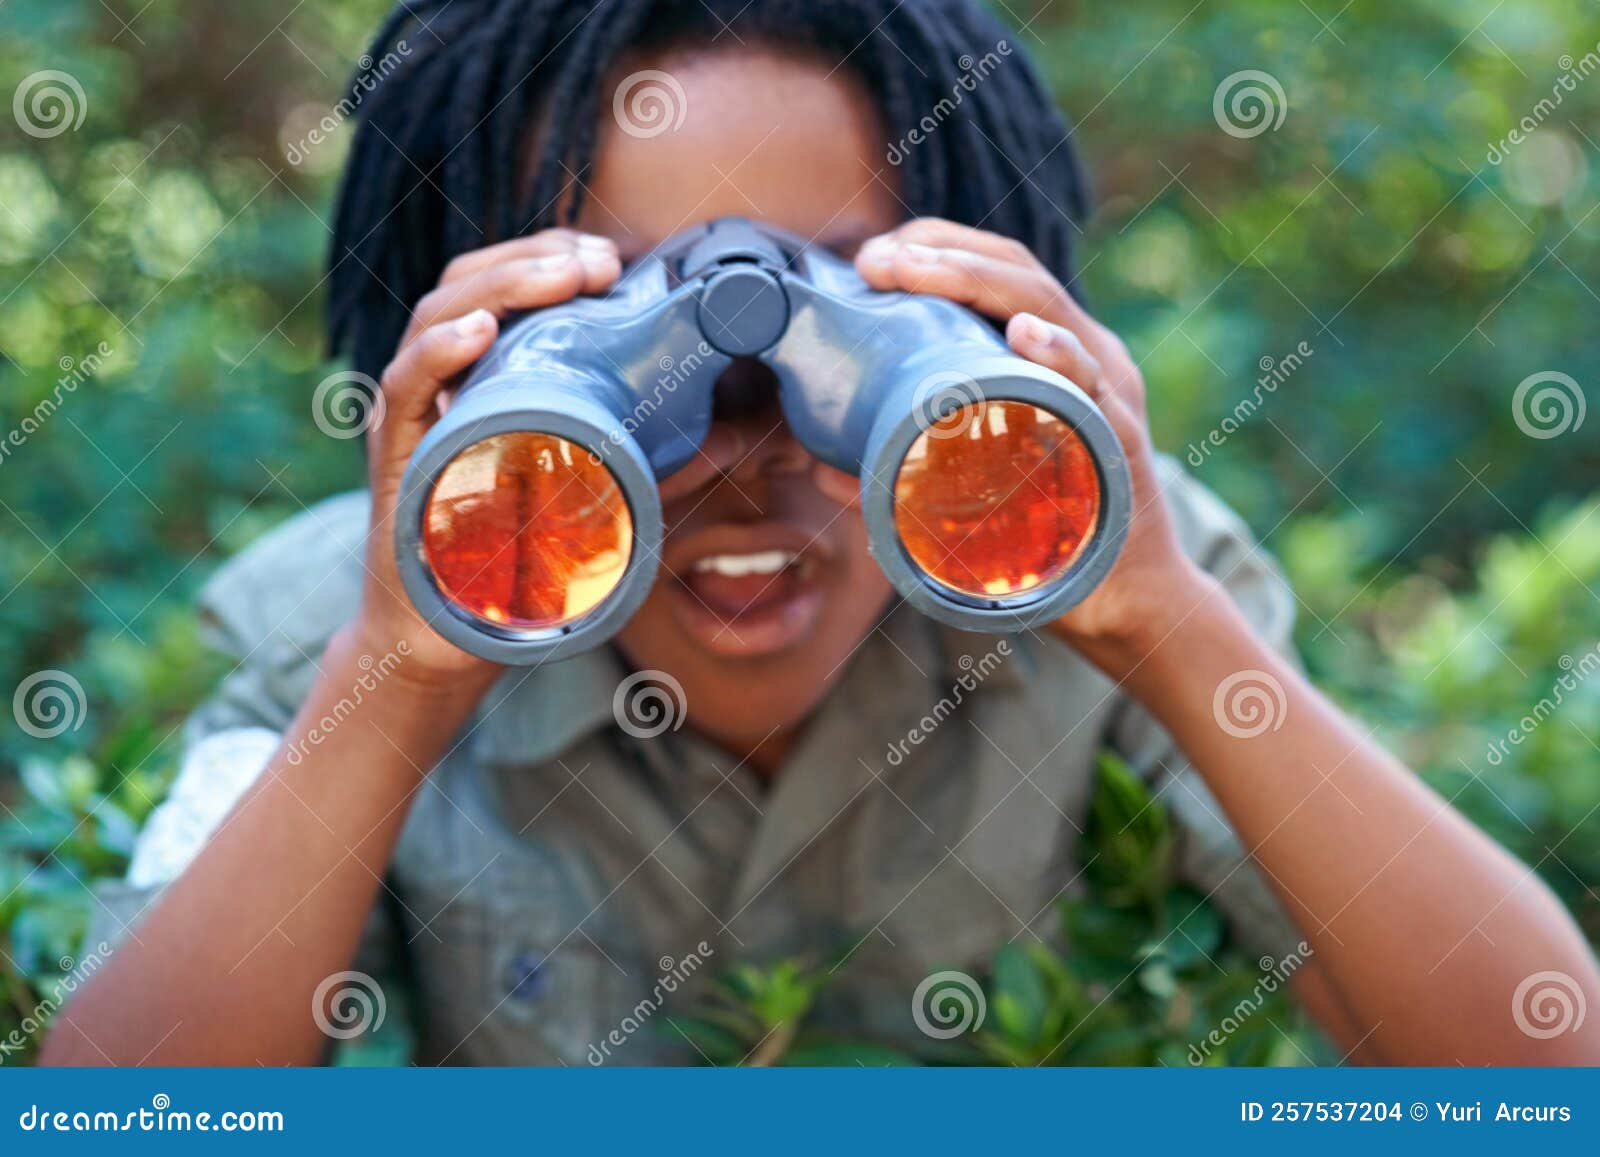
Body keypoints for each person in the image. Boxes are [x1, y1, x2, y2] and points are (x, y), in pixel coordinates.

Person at [42, 0, 1599, 1066]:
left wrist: (1165, 626)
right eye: (611, 318)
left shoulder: (1102, 565)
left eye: (855, 307)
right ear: (445, 347)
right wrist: (392, 675)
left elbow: (1542, 1068)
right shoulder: (354, 614)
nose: (748, 425)